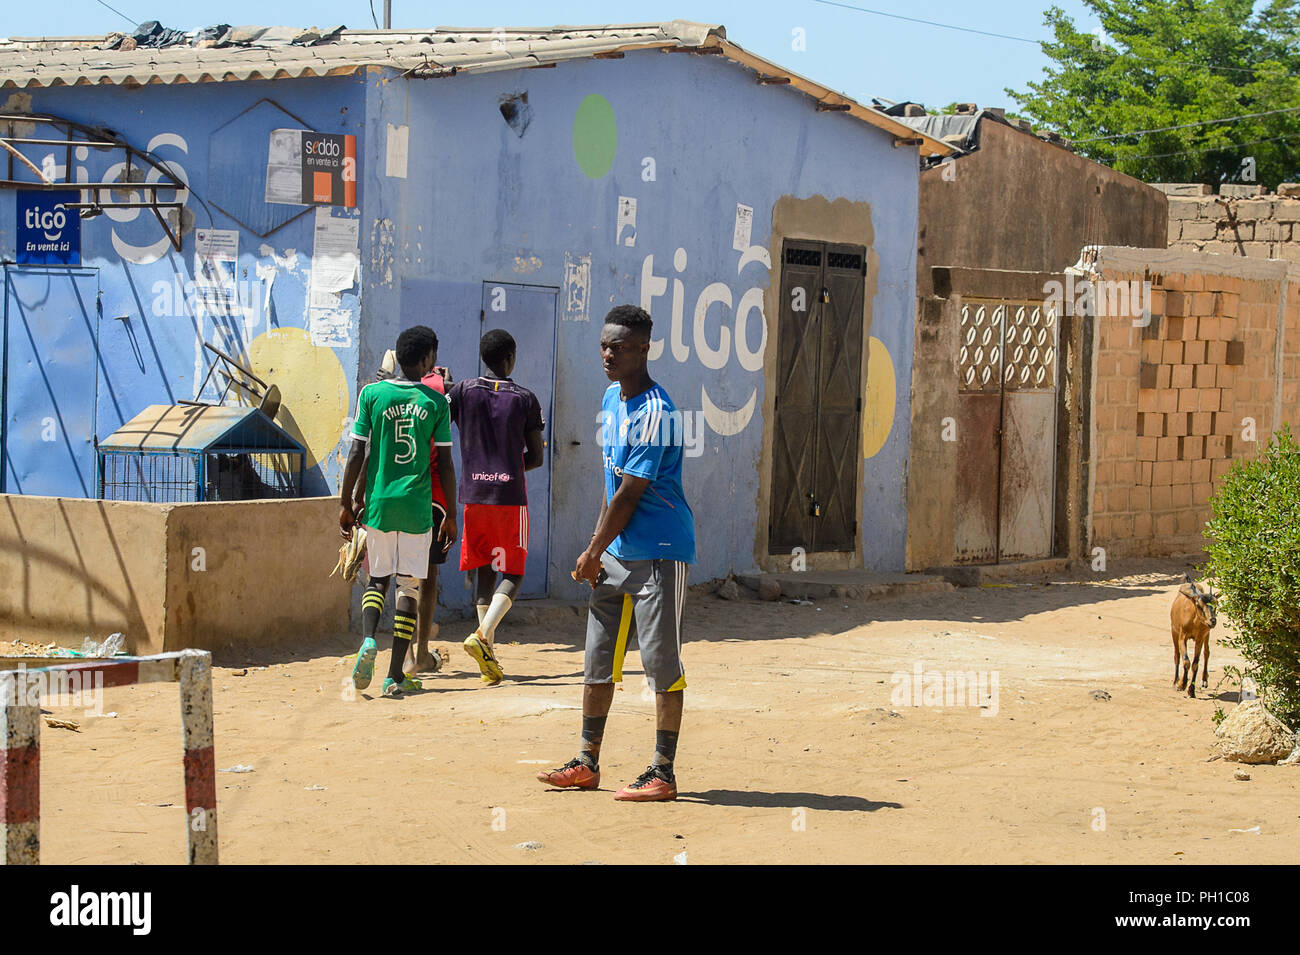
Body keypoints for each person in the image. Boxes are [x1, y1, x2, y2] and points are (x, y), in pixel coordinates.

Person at [537, 305, 696, 801]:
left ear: (644, 349)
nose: (607, 354)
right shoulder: (611, 398)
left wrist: (590, 550)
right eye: (604, 345)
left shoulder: (658, 412)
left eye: (619, 346)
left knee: (660, 663)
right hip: (614, 551)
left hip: (660, 552)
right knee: (597, 659)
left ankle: (663, 772)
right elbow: (609, 485)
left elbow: (631, 492)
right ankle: (587, 761)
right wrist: (597, 547)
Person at [339, 326, 457, 698]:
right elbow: (448, 464)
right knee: (408, 586)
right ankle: (394, 676)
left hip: (379, 504)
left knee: (377, 580)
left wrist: (346, 502)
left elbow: (358, 452)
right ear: (426, 360)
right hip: (417, 507)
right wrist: (450, 513)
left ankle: (369, 640)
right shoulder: (436, 403)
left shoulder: (372, 394)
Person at [447, 329, 545, 685]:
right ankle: (484, 635)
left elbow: (440, 411)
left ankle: (488, 654)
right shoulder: (525, 399)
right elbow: (535, 457)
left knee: (485, 569)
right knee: (514, 572)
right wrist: (508, 465)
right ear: (510, 358)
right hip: (509, 498)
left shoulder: (463, 392)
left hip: (473, 496)